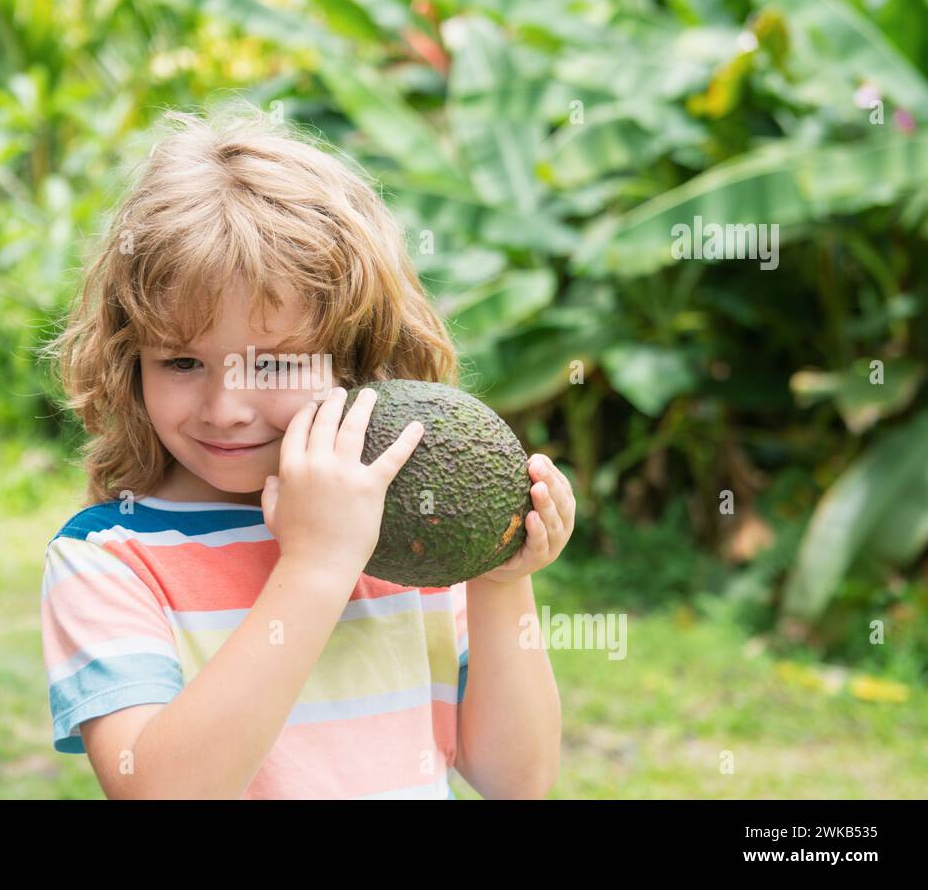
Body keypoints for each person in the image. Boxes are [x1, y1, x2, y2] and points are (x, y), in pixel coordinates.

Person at [39, 102, 573, 799]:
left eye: (273, 365)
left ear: (354, 359)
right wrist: (318, 563)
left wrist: (501, 579)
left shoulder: (417, 536)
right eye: (181, 363)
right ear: (128, 360)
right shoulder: (109, 558)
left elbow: (517, 780)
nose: (226, 408)